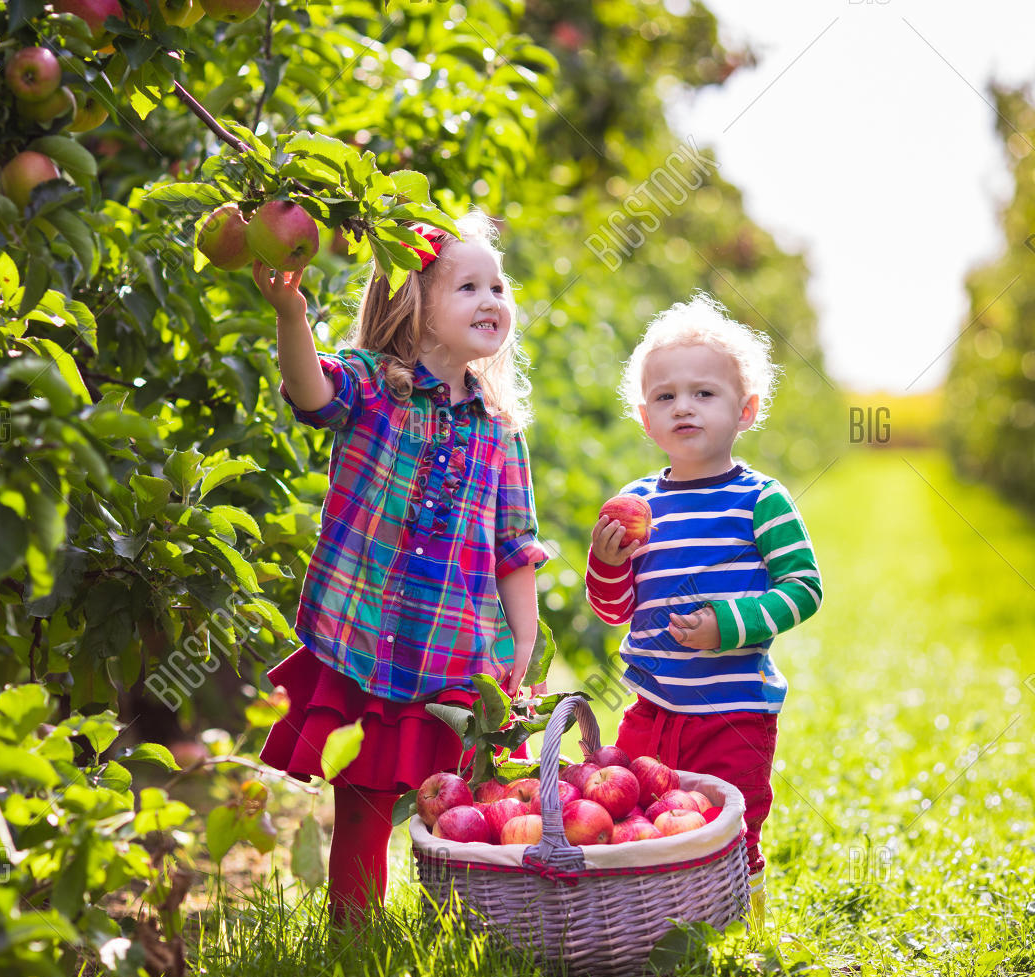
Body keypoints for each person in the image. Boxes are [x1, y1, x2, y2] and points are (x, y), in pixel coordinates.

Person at [254, 212, 548, 924]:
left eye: (499, 287)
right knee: (362, 802)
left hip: (452, 656)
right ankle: (356, 937)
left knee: (461, 806)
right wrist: (292, 315)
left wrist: (525, 642)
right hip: (364, 643)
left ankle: (470, 925)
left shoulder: (500, 430)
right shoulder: (373, 387)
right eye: (468, 286)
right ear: (412, 304)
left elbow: (515, 546)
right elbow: (310, 391)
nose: (491, 301)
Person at [584, 293, 822, 928]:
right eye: (665, 397)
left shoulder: (761, 500)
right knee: (639, 820)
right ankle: (652, 923)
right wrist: (608, 564)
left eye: (704, 394)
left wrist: (730, 624)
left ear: (745, 411)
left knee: (731, 827)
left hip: (733, 710)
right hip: (652, 708)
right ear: (644, 418)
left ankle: (740, 923)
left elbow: (804, 586)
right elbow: (613, 610)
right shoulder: (634, 504)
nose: (683, 406)